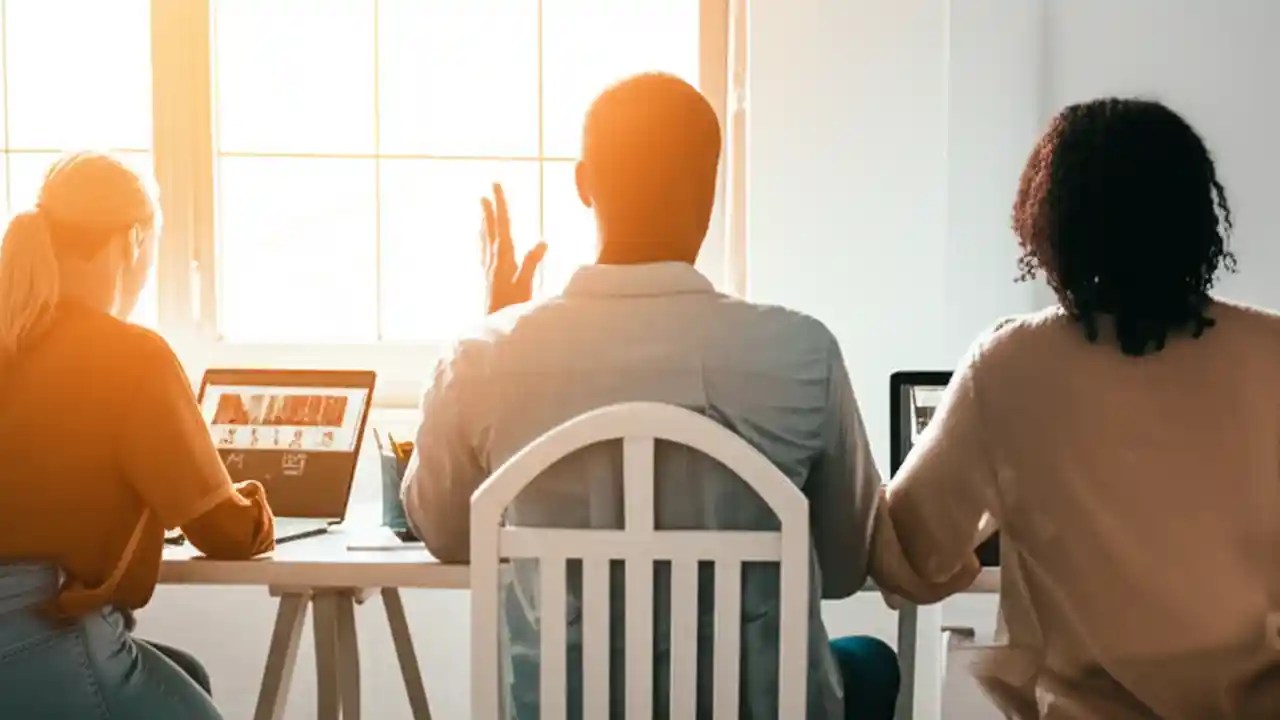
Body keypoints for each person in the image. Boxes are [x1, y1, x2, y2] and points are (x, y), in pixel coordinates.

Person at [402, 73, 898, 719]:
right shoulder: (801, 353)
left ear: (584, 183)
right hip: (754, 709)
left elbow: (441, 531)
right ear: (711, 188)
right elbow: (841, 565)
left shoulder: (484, 356)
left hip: (559, 709)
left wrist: (500, 315)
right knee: (872, 661)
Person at [870, 98, 1280, 718]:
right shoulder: (1271, 352)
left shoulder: (1009, 365)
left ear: (1051, 225)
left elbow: (909, 555)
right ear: (1197, 217)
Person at [0, 152, 276, 719]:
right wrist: (257, 508)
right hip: (42, 632)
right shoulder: (129, 356)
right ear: (132, 241)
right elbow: (223, 532)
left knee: (185, 672)